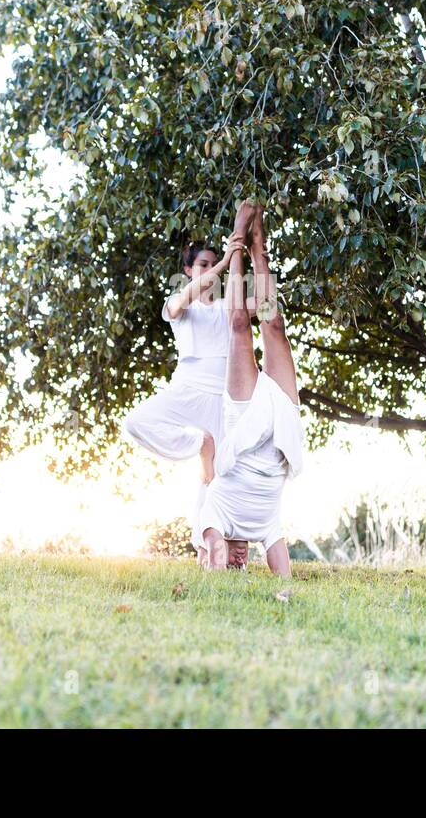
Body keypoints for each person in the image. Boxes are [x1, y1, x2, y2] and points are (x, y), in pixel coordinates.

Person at [195, 201, 304, 578]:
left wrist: (217, 562)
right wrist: (286, 591)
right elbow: (284, 573)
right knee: (273, 326)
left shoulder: (211, 517)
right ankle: (260, 248)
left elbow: (214, 551)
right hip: (280, 427)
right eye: (242, 564)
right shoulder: (265, 530)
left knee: (239, 323)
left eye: (232, 560)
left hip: (242, 418)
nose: (239, 560)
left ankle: (237, 241)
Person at [122, 233, 246, 561]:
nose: (208, 271)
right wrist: (221, 263)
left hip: (221, 398)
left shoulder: (224, 308)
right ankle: (198, 444)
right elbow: (185, 300)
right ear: (189, 270)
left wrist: (236, 255)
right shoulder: (177, 302)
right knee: (135, 421)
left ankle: (212, 551)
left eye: (212, 263)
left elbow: (240, 302)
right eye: (201, 265)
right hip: (187, 391)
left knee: (219, 478)